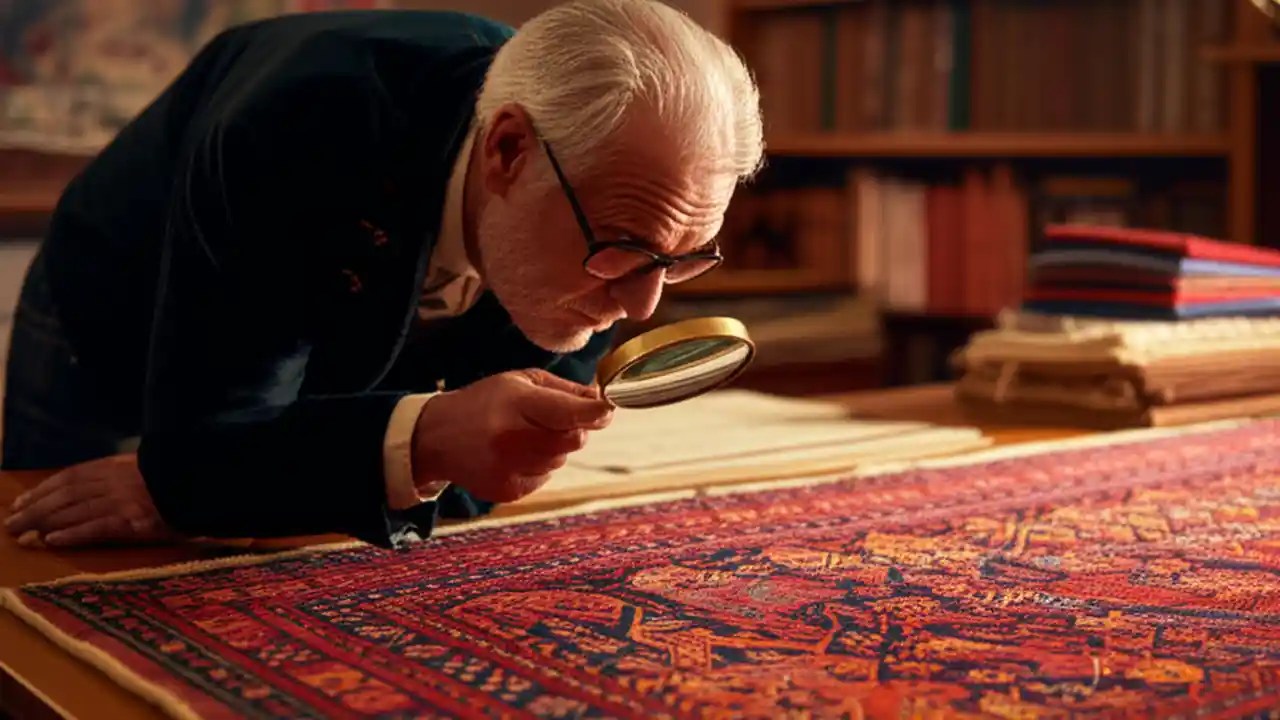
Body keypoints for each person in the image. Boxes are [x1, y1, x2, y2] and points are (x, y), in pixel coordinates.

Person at [1, 0, 764, 549]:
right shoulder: (301, 127)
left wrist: (223, 480)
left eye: (683, 258)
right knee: (40, 557)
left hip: (341, 325)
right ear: (507, 152)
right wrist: (198, 473)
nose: (641, 307)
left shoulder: (600, 200)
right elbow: (204, 454)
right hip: (113, 309)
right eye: (627, 251)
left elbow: (480, 470)